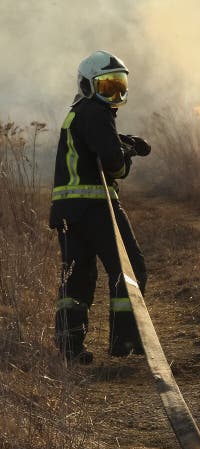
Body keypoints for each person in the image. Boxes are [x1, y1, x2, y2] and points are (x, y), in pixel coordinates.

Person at [49, 50, 151, 364]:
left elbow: (93, 142)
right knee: (130, 268)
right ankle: (126, 341)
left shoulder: (79, 112)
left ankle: (70, 345)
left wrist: (123, 138)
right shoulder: (97, 112)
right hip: (96, 207)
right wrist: (128, 152)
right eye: (107, 87)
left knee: (77, 274)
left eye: (119, 86)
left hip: (67, 210)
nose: (115, 94)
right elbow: (115, 166)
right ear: (87, 85)